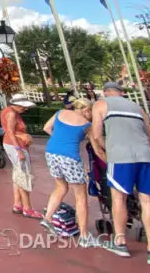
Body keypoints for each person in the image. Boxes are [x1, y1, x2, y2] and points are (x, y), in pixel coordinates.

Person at [92, 81, 150, 262]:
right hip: (145, 156)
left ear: (105, 92)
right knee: (148, 200)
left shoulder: (101, 104)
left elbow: (96, 134)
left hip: (120, 157)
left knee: (119, 197)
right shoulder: (137, 107)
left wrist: (106, 150)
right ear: (122, 93)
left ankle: (120, 242)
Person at [40, 97, 98, 246]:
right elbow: (96, 142)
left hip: (51, 152)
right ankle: (85, 236)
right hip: (70, 156)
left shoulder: (60, 113)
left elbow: (46, 128)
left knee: (61, 187)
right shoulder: (86, 124)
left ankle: (47, 218)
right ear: (85, 109)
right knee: (80, 196)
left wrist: (59, 139)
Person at [1, 94, 42, 218]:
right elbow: (10, 132)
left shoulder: (9, 111)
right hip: (16, 146)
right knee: (23, 175)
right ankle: (27, 208)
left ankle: (18, 204)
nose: (25, 109)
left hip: (13, 144)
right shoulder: (12, 114)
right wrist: (19, 149)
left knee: (18, 174)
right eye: (24, 107)